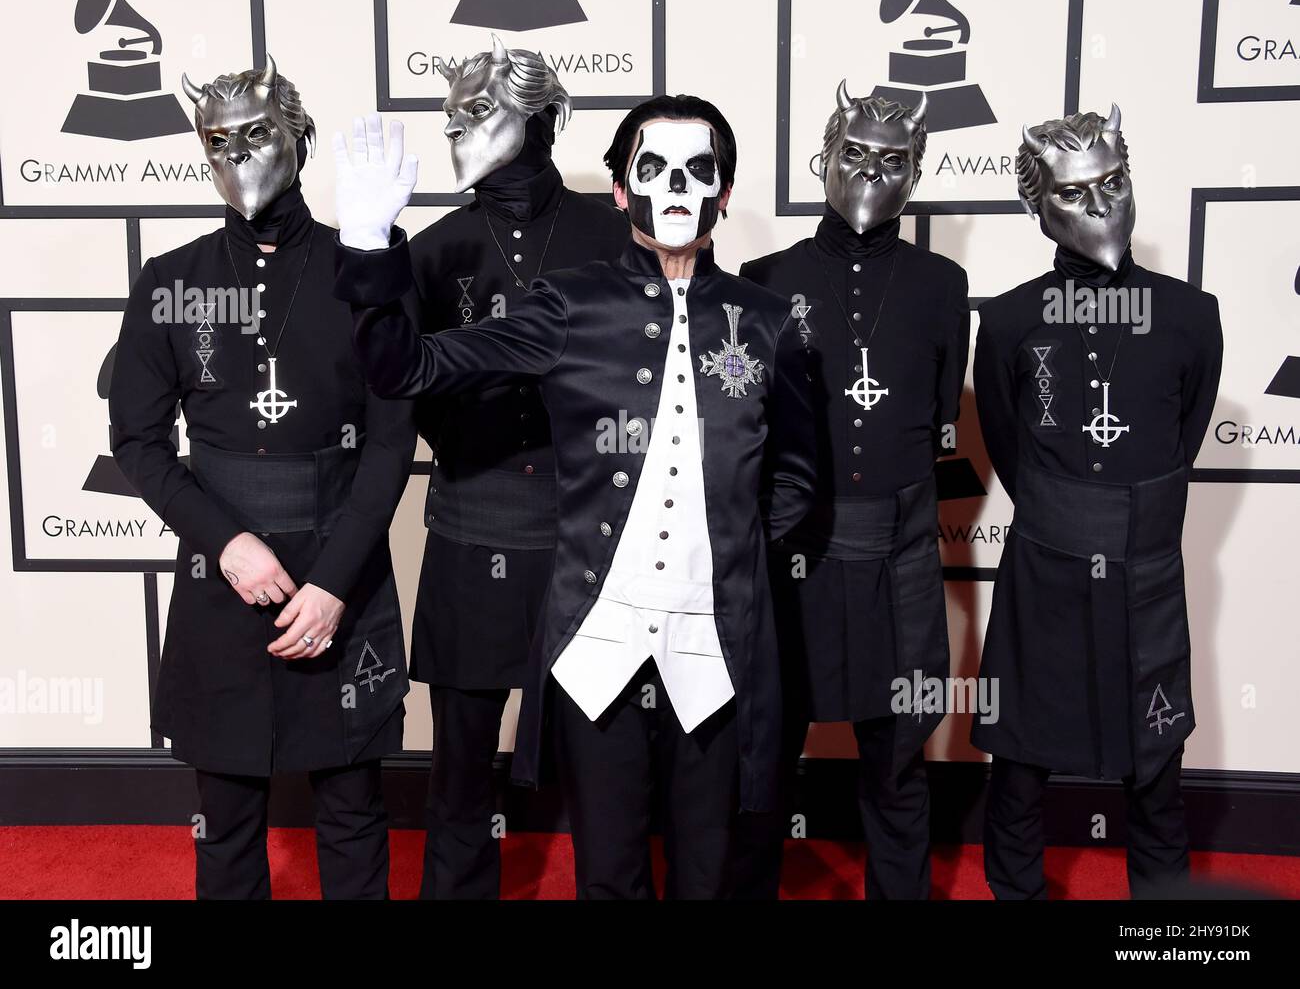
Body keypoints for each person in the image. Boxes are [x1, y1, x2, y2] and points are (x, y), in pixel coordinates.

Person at [332, 94, 816, 899]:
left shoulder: (768, 321)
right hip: (601, 647)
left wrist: (727, 550)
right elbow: (402, 368)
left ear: (725, 193)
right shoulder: (570, 304)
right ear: (621, 191)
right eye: (651, 168)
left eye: (700, 171)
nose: (676, 187)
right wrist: (368, 246)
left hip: (720, 644)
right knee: (609, 872)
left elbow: (799, 474)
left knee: (711, 869)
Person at [109, 56, 415, 899]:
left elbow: (392, 441)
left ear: (299, 138)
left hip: (341, 567)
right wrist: (229, 542)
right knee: (227, 815)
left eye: (256, 133)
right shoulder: (171, 280)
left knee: (353, 809)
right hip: (222, 574)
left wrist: (332, 584)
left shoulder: (373, 266)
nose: (237, 153)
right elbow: (135, 438)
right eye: (217, 139)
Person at [973, 106, 1223, 899]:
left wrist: (1121, 520)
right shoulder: (1009, 319)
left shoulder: (1192, 314)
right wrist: (1067, 516)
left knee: (1154, 771)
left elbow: (1181, 438)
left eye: (1112, 183)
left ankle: (1162, 927)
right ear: (1037, 204)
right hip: (1042, 569)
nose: (1101, 204)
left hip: (1147, 572)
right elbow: (1008, 443)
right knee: (1019, 762)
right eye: (1076, 191)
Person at [400, 36, 628, 900]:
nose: (460, 128)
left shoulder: (617, 232)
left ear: (547, 118)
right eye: (451, 113)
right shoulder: (430, 250)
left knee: (608, 763)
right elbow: (403, 387)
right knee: (460, 758)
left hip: (598, 535)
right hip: (472, 525)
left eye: (482, 110)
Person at [734, 85, 968, 899]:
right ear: (824, 157)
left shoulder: (944, 284)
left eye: (893, 159)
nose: (871, 171)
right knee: (764, 747)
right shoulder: (763, 278)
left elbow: (941, 419)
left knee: (899, 749)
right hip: (791, 545)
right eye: (855, 153)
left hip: (902, 547)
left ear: (916, 173)